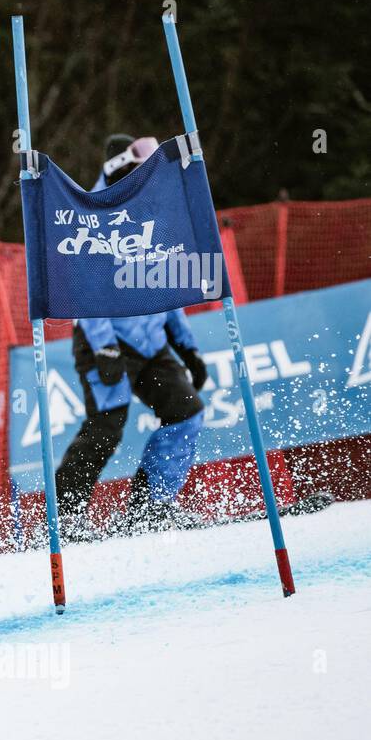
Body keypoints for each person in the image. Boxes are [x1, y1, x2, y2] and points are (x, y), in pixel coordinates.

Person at [54, 135, 210, 539]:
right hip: (104, 338)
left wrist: (185, 343)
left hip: (150, 340)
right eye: (141, 174)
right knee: (108, 422)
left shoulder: (151, 210)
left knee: (186, 412)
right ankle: (65, 517)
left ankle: (150, 508)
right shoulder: (90, 215)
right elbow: (86, 290)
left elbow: (165, 279)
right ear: (122, 170)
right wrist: (105, 347)